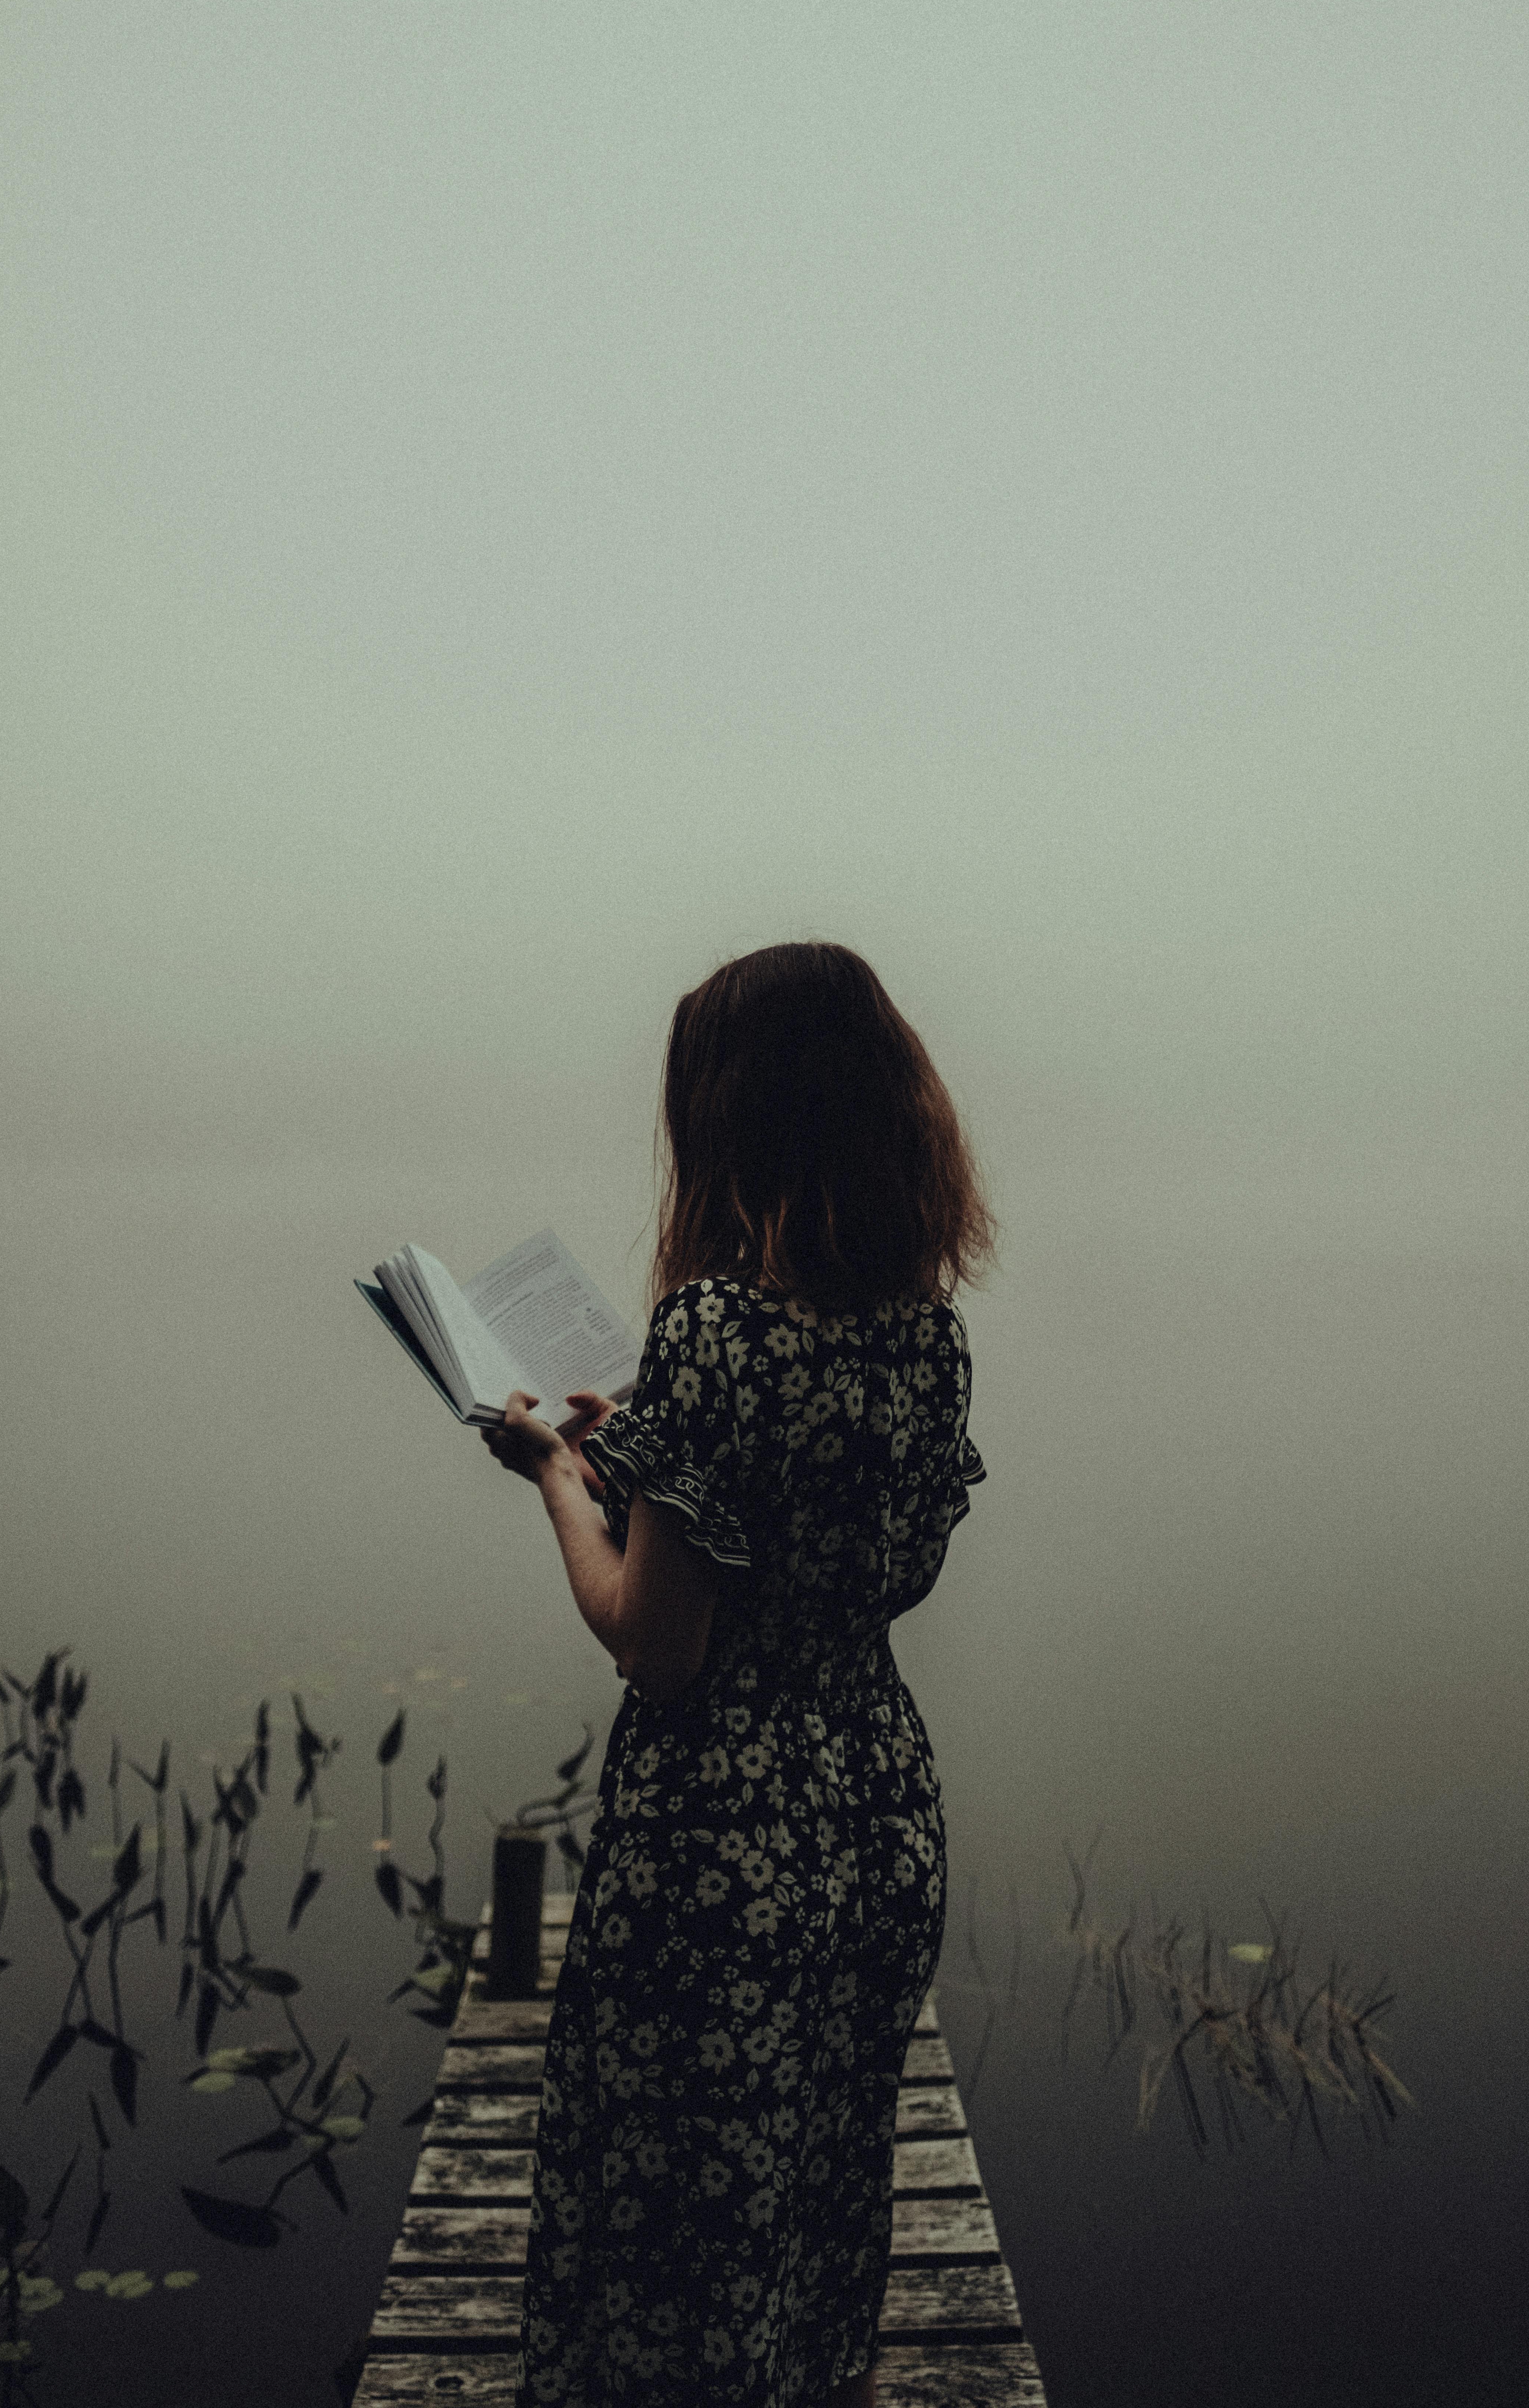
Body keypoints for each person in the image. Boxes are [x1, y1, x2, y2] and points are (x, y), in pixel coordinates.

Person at [483, 940, 997, 2408]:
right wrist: (643, 1445)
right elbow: (831, 1543)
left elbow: (658, 1640)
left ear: (734, 1119)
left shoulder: (713, 1333)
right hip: (877, 1815)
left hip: (724, 1845)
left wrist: (555, 1481)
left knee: (669, 2234)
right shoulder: (926, 1338)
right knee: (814, 2209)